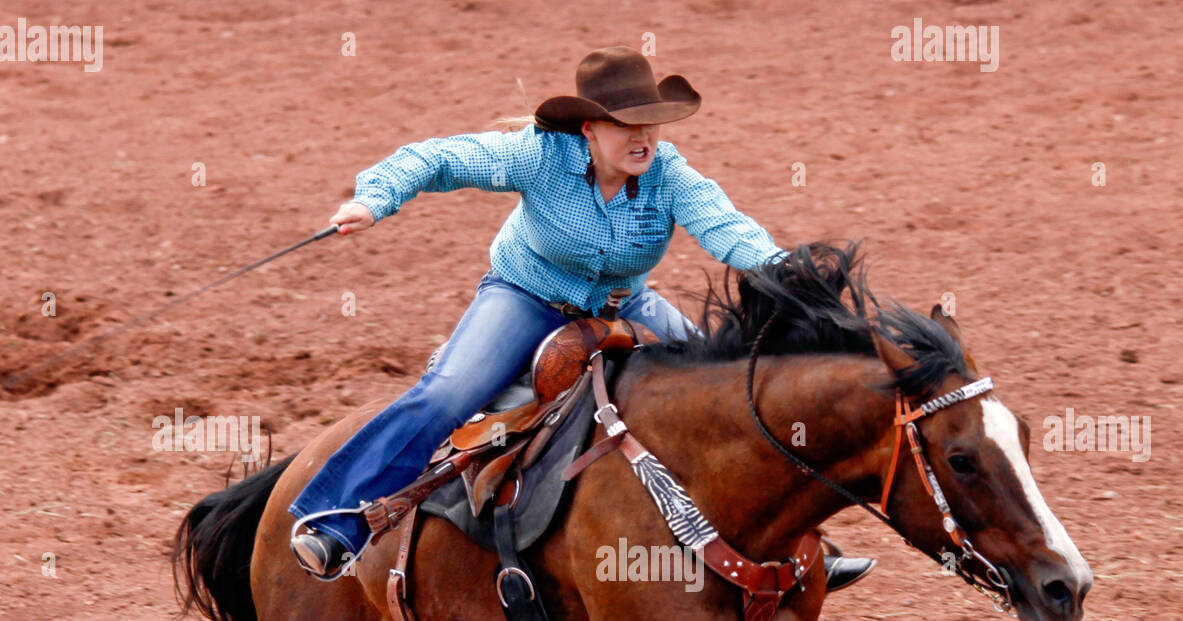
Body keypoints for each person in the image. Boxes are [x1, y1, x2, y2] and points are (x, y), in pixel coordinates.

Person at [289, 45, 875, 591]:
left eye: (650, 122)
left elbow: (728, 230)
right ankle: (336, 522)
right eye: (627, 124)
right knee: (447, 394)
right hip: (524, 298)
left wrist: (786, 271)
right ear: (589, 129)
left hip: (626, 305)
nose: (643, 136)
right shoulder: (538, 157)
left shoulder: (669, 175)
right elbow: (438, 159)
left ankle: (805, 547)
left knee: (725, 396)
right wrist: (373, 199)